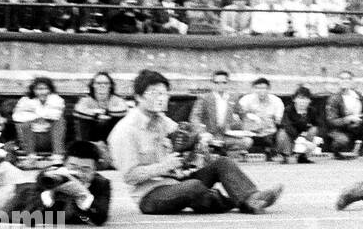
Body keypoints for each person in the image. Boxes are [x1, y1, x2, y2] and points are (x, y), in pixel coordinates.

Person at [108, 69, 282, 215]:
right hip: (150, 195)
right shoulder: (125, 131)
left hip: (177, 180)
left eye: (163, 93)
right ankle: (229, 201)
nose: (160, 98)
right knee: (195, 187)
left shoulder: (161, 119)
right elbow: (129, 176)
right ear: (138, 97)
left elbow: (185, 135)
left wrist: (200, 138)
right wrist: (163, 167)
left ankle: (252, 198)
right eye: (154, 93)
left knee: (223, 163)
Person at [187, 70, 252, 157]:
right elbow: (194, 118)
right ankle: (223, 153)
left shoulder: (233, 98)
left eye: (223, 83)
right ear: (212, 84)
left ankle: (224, 153)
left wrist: (246, 129)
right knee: (204, 142)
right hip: (210, 136)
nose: (220, 85)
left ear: (228, 83)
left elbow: (243, 115)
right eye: (217, 83)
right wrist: (202, 132)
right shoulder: (204, 98)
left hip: (226, 136)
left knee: (248, 141)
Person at [71, 72, 129, 166]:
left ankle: (113, 153)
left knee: (117, 119)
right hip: (91, 134)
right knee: (82, 120)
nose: (102, 86)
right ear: (93, 85)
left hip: (110, 134)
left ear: (110, 86)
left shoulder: (116, 99)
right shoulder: (86, 100)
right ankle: (86, 151)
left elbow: (123, 110)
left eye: (106, 83)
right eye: (98, 83)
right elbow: (78, 111)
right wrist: (96, 113)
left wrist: (106, 112)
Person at [10, 77, 67, 168]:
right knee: (24, 124)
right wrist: (38, 117)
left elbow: (56, 115)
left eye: (45, 89)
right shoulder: (25, 100)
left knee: (60, 121)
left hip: (49, 138)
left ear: (50, 89)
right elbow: (17, 116)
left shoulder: (57, 100)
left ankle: (57, 156)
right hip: (31, 138)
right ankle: (31, 156)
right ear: (33, 90)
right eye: (39, 89)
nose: (42, 92)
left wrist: (32, 114)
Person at [237, 78, 285, 159]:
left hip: (269, 133)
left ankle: (275, 152)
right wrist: (251, 118)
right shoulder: (246, 99)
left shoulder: (276, 101)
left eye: (264, 88)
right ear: (253, 89)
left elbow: (279, 120)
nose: (261, 91)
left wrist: (267, 122)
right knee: (246, 141)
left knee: (282, 135)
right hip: (251, 133)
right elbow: (238, 115)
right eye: (258, 88)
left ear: (269, 89)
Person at [277, 86, 324, 163]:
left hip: (305, 139)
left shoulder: (312, 111)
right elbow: (286, 126)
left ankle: (303, 156)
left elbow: (320, 126)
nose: (302, 101)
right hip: (291, 138)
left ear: (310, 100)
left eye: (305, 99)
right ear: (294, 99)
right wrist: (301, 139)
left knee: (314, 130)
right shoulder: (288, 110)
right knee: (282, 133)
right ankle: (286, 156)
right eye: (300, 98)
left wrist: (316, 142)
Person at [325, 70, 363, 157]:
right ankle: (335, 153)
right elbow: (331, 121)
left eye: (348, 79)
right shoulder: (333, 99)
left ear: (352, 81)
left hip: (356, 129)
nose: (345, 81)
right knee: (342, 140)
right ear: (338, 81)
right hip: (337, 130)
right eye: (342, 79)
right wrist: (348, 119)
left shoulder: (359, 96)